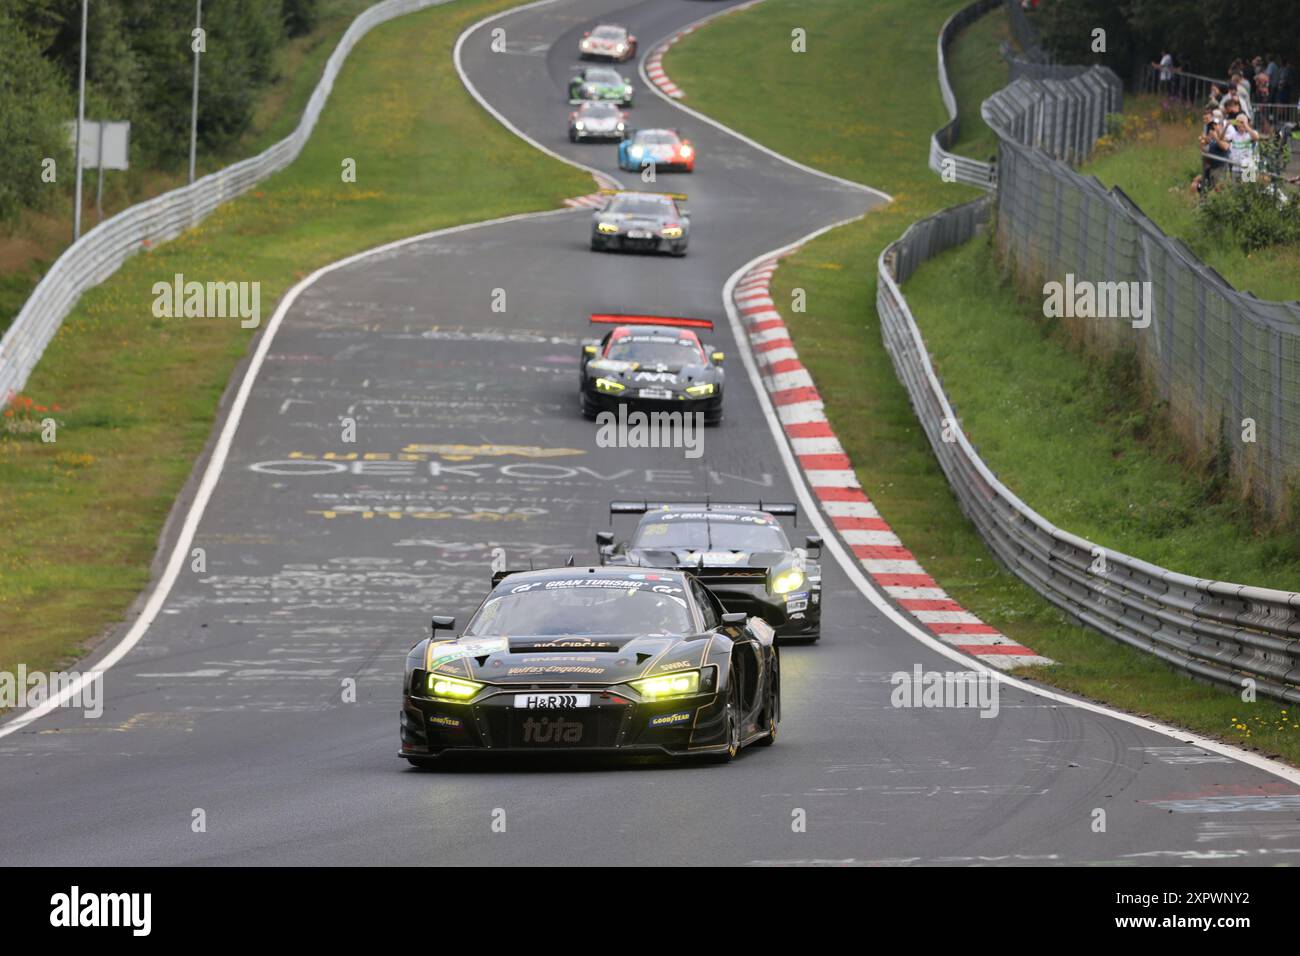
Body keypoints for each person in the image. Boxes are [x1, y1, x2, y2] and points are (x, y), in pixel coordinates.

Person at [1223, 113, 1260, 178]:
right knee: (1235, 187)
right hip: (1236, 167)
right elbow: (1222, 138)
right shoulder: (1233, 134)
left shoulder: (1250, 133)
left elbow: (1256, 137)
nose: (1240, 125)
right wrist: (1226, 126)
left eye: (1242, 122)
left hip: (1248, 167)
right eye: (1238, 122)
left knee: (1248, 187)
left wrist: (1246, 125)